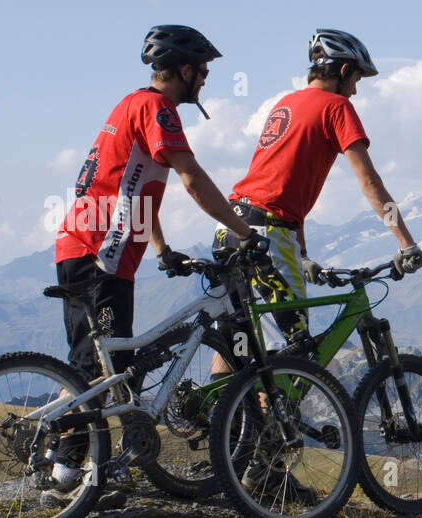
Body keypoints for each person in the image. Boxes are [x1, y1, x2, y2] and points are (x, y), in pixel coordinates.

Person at [49, 24, 264, 491]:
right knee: (102, 366)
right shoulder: (158, 109)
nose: (205, 79)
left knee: (97, 359)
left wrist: (162, 249)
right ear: (183, 70)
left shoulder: (131, 104)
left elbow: (134, 187)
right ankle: (67, 471)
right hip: (101, 253)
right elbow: (192, 177)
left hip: (85, 244)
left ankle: (68, 464)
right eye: (202, 70)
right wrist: (244, 232)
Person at [212, 28, 422, 357]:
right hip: (267, 235)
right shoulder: (337, 107)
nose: (355, 90)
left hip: (230, 225)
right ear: (343, 70)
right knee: (292, 355)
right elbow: (370, 182)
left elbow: (282, 183)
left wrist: (302, 254)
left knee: (238, 341)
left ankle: (216, 393)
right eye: (356, 79)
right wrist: (406, 242)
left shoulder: (285, 104)